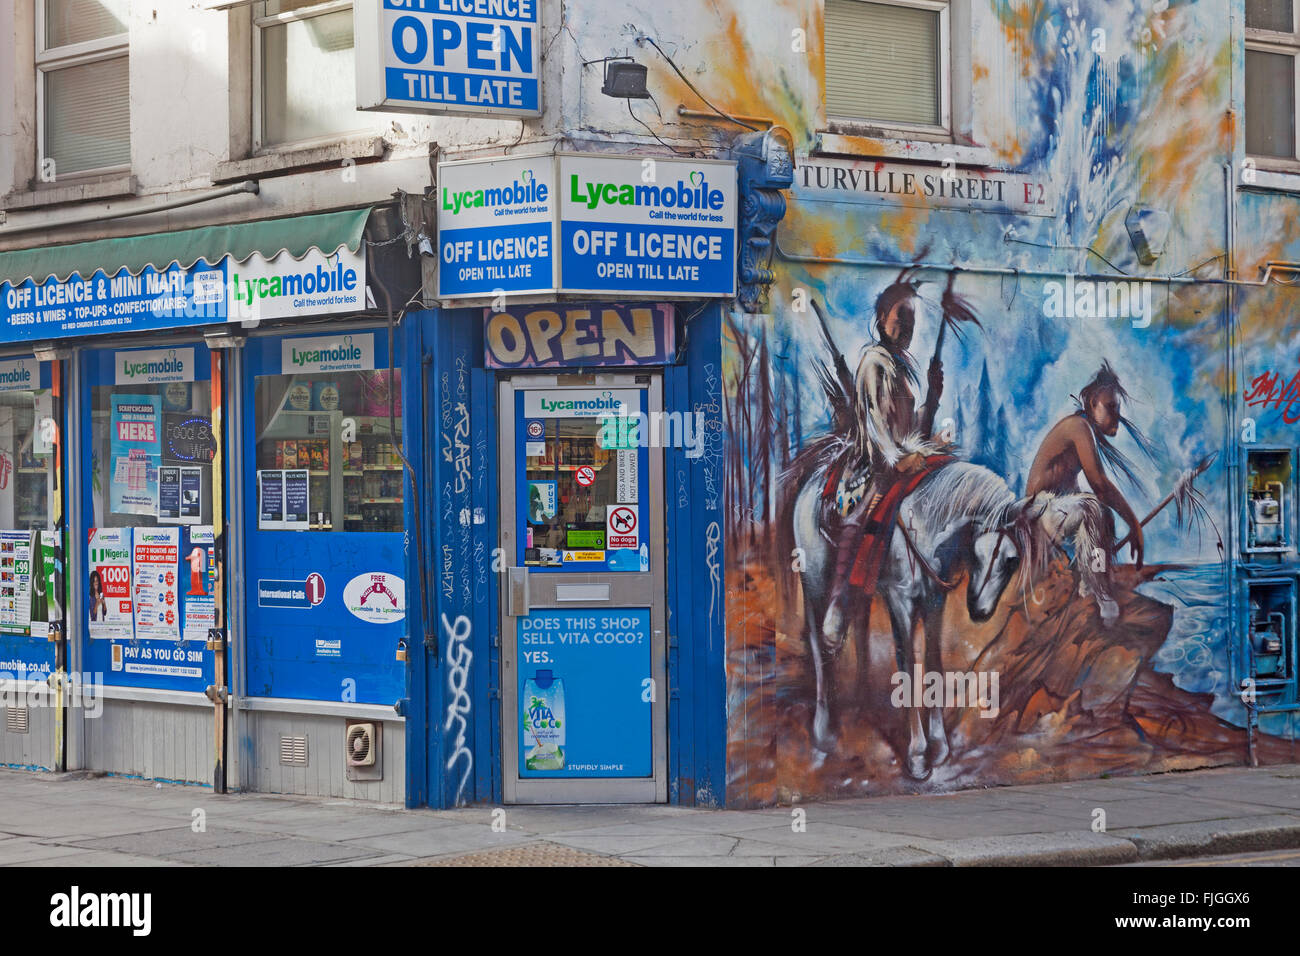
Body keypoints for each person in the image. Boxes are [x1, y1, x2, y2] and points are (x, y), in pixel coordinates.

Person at [822, 274, 947, 642]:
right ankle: (840, 600)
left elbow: (912, 428)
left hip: (905, 457)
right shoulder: (873, 364)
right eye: (899, 318)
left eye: (911, 321)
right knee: (865, 510)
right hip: (874, 464)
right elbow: (876, 427)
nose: (906, 326)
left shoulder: (904, 369)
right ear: (880, 320)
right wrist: (896, 460)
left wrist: (934, 398)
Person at [1025, 361, 1151, 623]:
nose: (1116, 415)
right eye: (1111, 407)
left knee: (1101, 514)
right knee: (1095, 507)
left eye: (1117, 408)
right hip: (1037, 512)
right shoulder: (1078, 428)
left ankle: (1090, 581)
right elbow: (1101, 486)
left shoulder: (1082, 432)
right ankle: (1099, 591)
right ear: (1093, 403)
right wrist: (1134, 525)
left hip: (1050, 513)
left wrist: (1100, 547)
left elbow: (1076, 490)